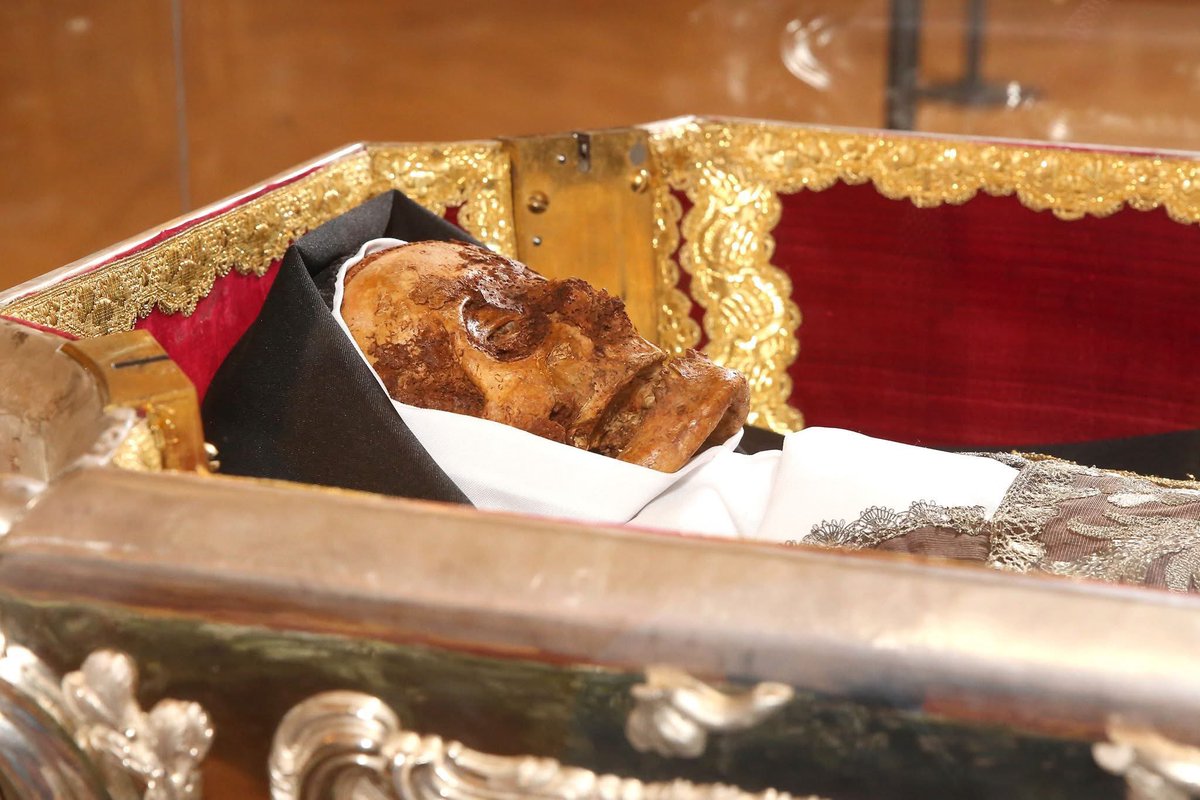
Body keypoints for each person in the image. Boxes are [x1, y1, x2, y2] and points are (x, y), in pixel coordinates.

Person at [203, 191, 1200, 595]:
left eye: (537, 279)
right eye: (500, 325)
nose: (588, 305)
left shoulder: (776, 472)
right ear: (436, 449)